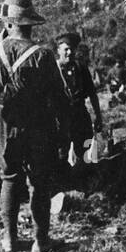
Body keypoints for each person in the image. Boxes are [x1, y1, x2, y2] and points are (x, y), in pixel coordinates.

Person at [0, 0, 68, 252]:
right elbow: (58, 97)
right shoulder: (43, 56)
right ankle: (41, 241)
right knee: (38, 181)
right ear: (29, 24)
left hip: (1, 122)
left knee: (10, 177)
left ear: (8, 24)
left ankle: (10, 240)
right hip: (36, 123)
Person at [55, 31, 102, 171]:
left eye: (72, 49)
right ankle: (65, 183)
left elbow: (92, 94)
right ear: (58, 50)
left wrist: (98, 116)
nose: (69, 52)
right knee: (61, 151)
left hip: (80, 114)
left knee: (87, 147)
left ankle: (88, 177)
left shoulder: (80, 68)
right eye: (66, 49)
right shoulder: (52, 70)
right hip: (61, 117)